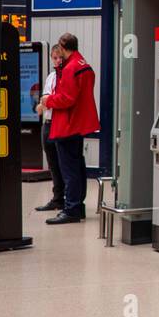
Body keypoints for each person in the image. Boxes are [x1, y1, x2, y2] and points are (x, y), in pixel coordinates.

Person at [39, 33, 99, 224]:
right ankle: (77, 206)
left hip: (67, 124)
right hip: (78, 123)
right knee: (78, 165)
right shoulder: (84, 64)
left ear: (63, 47)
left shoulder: (71, 68)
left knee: (69, 168)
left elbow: (67, 98)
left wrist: (49, 100)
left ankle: (71, 208)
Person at [34, 44, 66, 213]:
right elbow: (45, 98)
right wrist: (43, 102)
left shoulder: (66, 77)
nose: (57, 61)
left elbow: (49, 100)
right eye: (54, 58)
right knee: (52, 163)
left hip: (60, 123)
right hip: (48, 123)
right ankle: (57, 198)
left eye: (60, 57)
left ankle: (68, 199)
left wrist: (45, 102)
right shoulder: (51, 77)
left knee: (64, 163)